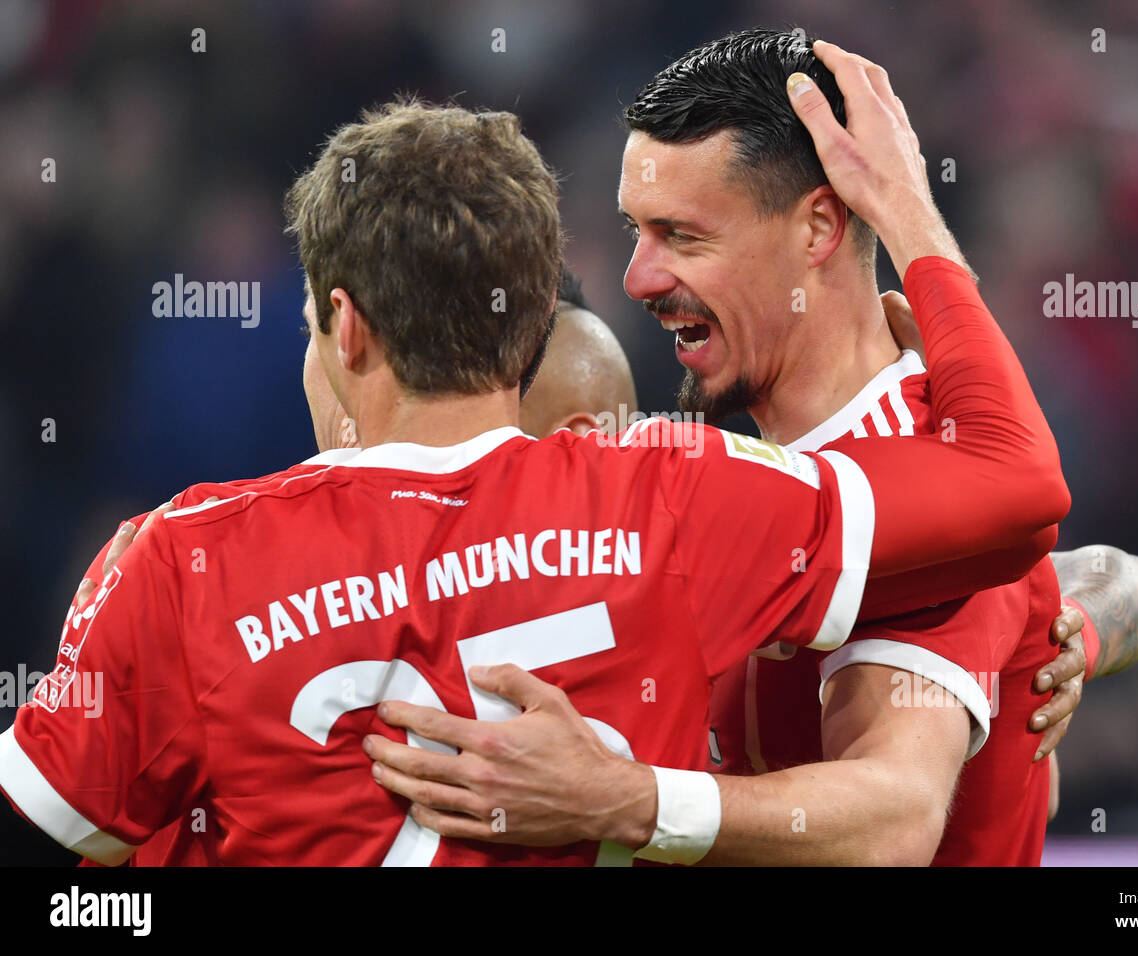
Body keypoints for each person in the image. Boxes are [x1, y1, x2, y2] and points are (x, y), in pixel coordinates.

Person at [0, 96, 1069, 866]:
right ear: (529, 341)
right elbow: (1017, 485)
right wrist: (917, 233)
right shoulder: (674, 499)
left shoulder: (184, 559)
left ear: (345, 325)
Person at [361, 32, 1138, 865]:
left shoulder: (915, 477)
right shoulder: (748, 478)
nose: (638, 278)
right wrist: (1068, 625)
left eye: (682, 235)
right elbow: (1117, 582)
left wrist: (623, 798)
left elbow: (896, 819)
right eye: (636, 231)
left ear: (818, 227)